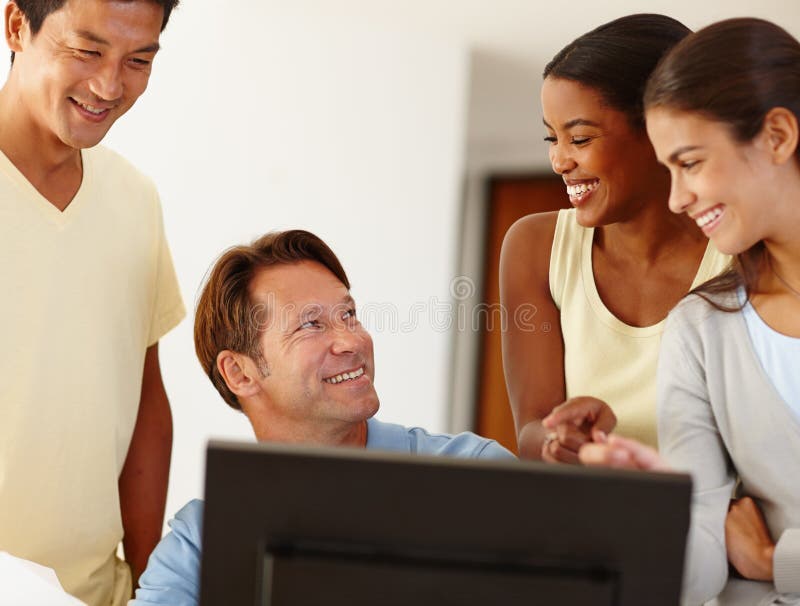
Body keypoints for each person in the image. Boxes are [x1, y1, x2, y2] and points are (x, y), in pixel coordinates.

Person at [131, 229, 515, 605]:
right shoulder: (201, 543)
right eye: (311, 324)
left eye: (349, 315)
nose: (352, 341)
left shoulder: (478, 480)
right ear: (240, 373)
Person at [567, 17, 800, 605]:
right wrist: (651, 516)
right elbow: (699, 563)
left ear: (776, 135)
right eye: (669, 170)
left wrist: (780, 558)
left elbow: (765, 560)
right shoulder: (701, 328)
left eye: (691, 163)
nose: (676, 198)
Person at [0, 1, 184, 605]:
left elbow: (145, 403)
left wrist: (150, 582)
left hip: (96, 594)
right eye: (87, 50)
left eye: (138, 60)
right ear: (16, 26)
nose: (109, 86)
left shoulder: (136, 201)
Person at [500, 14, 730, 462]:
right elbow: (531, 430)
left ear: (660, 130)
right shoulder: (535, 247)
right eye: (552, 138)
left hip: (722, 523)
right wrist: (562, 438)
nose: (559, 161)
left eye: (580, 138)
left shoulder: (743, 247)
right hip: (590, 522)